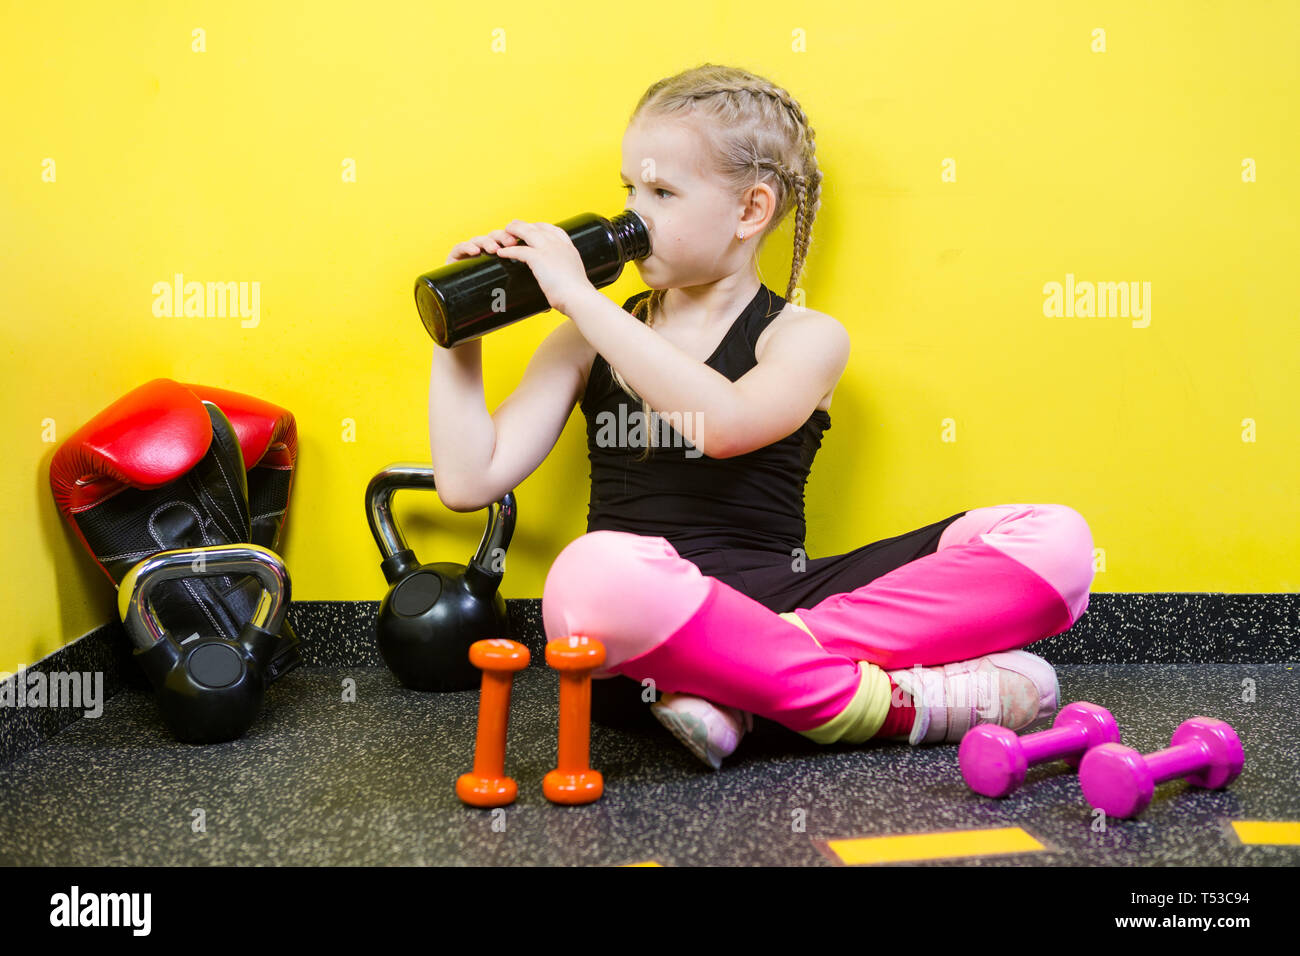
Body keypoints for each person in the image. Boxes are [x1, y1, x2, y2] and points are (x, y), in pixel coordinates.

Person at [429, 63, 1095, 770]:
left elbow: (724, 427)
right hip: (642, 635)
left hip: (781, 594)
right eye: (628, 187)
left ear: (750, 211)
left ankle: (746, 684)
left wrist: (578, 297)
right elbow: (469, 481)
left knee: (1058, 541)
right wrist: (460, 333)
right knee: (587, 572)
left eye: (660, 191)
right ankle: (888, 701)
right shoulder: (582, 342)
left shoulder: (805, 338)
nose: (632, 212)